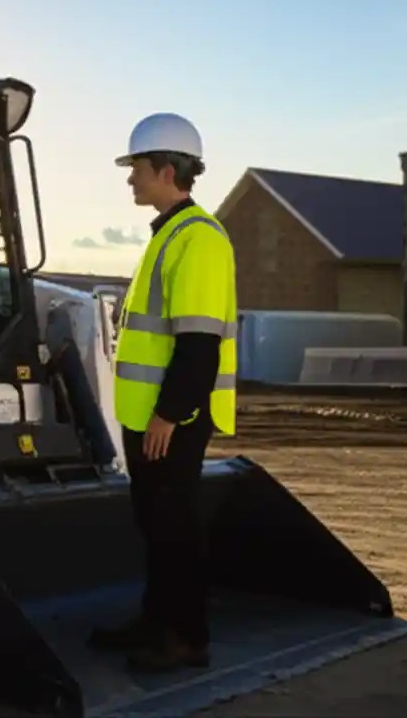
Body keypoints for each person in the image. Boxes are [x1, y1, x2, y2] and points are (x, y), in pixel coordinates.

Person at [87, 112, 238, 672]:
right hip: (151, 416)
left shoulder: (197, 241)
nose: (131, 179)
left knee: (176, 528)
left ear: (166, 170)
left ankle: (186, 639)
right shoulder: (169, 236)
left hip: (171, 420)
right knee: (157, 525)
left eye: (138, 169)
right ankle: (156, 622)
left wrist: (169, 416)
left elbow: (199, 344)